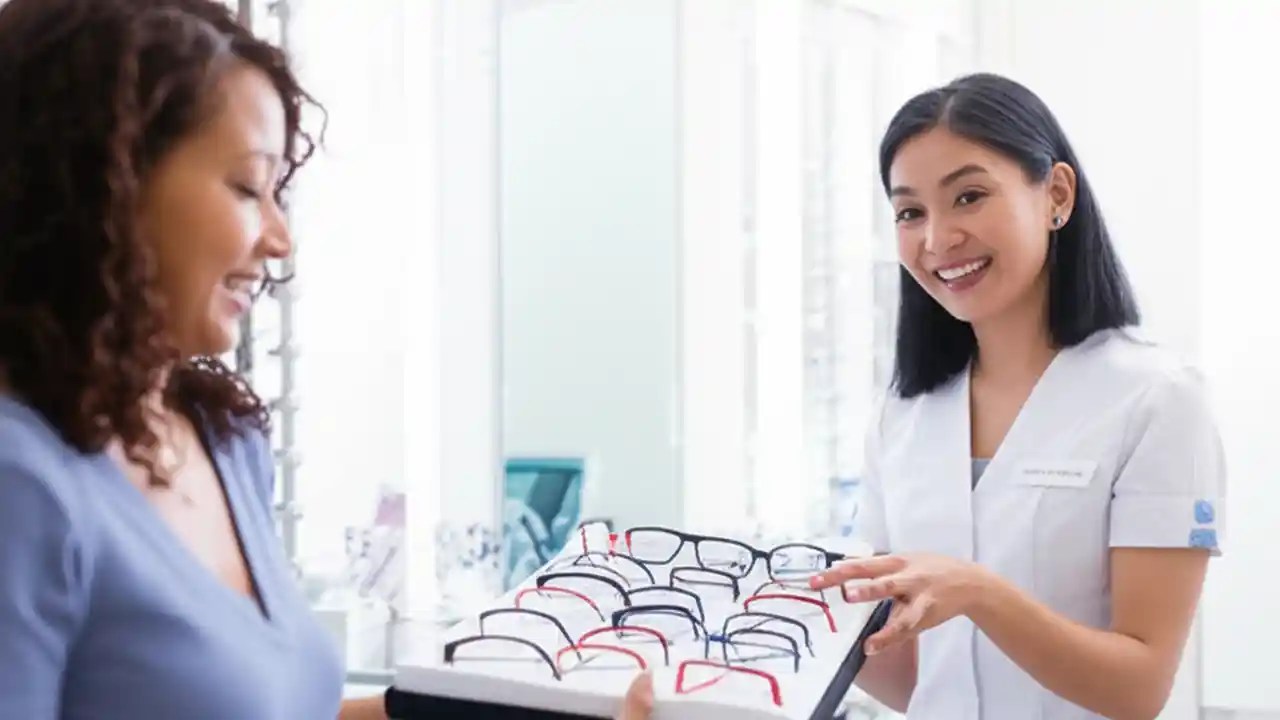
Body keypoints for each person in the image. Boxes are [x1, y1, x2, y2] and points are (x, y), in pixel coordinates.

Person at [0, 1, 653, 719]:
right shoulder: (23, 485)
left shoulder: (223, 439)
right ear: (106, 183)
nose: (280, 239)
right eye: (249, 187)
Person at [809, 73, 1225, 719]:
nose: (938, 239)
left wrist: (978, 593)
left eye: (969, 196)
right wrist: (790, 627)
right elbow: (917, 679)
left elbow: (1139, 688)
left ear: (1056, 195)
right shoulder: (905, 412)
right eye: (909, 211)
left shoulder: (1154, 399)